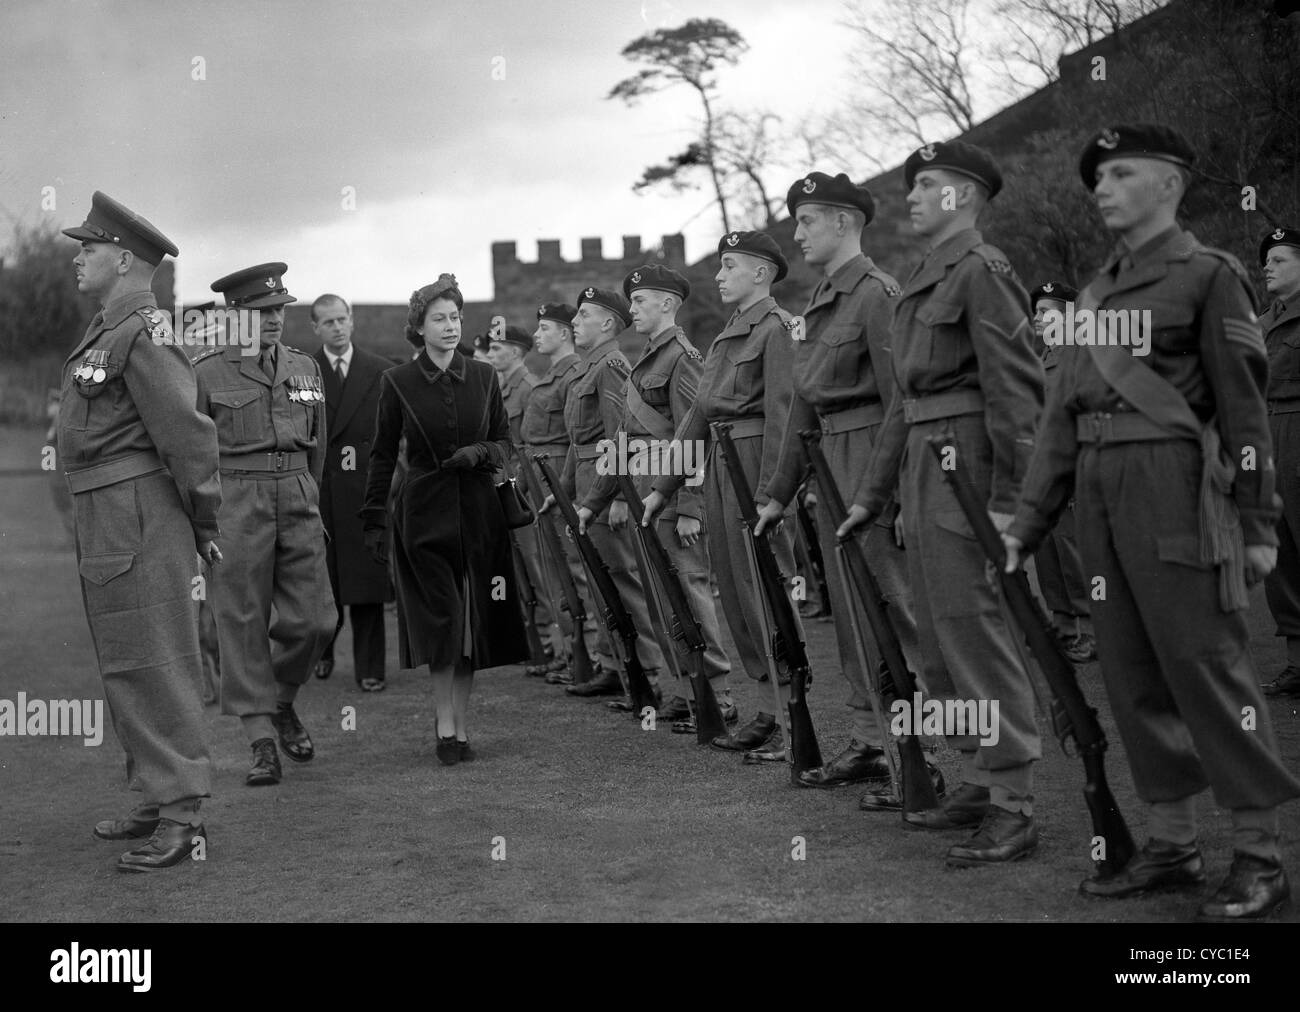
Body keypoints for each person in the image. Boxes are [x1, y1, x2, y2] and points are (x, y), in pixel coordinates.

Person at [1005, 125, 1300, 918]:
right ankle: (1172, 846)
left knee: (1209, 673)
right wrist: (1025, 527)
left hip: (1176, 490)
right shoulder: (1093, 293)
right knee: (1132, 677)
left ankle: (1259, 855)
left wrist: (1259, 524)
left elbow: (1244, 414)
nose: (1101, 185)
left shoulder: (1208, 277)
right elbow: (1061, 421)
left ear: (1169, 184)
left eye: (1120, 172)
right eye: (1096, 175)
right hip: (1099, 498)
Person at [847, 142, 1045, 866]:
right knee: (938, 640)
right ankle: (978, 778)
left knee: (977, 636)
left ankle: (1016, 803)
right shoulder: (923, 276)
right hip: (926, 467)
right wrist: (871, 496)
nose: (914, 196)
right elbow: (904, 401)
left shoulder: (982, 272)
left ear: (965, 196)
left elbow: (1017, 395)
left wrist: (1010, 505)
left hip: (970, 465)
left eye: (929, 185)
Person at [754, 174, 933, 793]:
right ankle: (868, 742)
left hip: (872, 463)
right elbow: (803, 409)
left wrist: (895, 495)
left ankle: (923, 752)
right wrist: (777, 493)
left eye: (807, 221)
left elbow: (903, 402)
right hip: (831, 464)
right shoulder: (822, 303)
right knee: (856, 615)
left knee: (894, 611)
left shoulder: (879, 295)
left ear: (843, 223)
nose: (797, 233)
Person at [59, 191, 218, 871]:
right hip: (107, 514)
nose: (80, 259)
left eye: (89, 248)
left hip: (140, 515)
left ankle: (184, 819)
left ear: (123, 259)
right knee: (127, 661)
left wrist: (206, 521)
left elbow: (188, 436)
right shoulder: (107, 329)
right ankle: (155, 797)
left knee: (158, 661)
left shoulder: (143, 332)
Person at [361, 274, 529, 764]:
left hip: (480, 514)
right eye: (439, 318)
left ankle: (461, 726)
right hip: (423, 516)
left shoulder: (483, 377)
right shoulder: (397, 382)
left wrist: (480, 452)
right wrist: (373, 518)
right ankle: (443, 724)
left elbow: (504, 442)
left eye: (455, 317)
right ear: (419, 327)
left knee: (474, 622)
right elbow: (380, 454)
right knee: (444, 622)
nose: (451, 326)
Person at [644, 233, 794, 749]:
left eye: (730, 266)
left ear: (762, 273)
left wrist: (774, 490)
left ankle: (792, 715)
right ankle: (768, 708)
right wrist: (664, 488)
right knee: (734, 593)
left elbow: (783, 415)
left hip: (753, 467)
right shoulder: (730, 334)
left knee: (768, 590)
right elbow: (697, 417)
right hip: (722, 466)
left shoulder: (776, 329)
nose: (719, 275)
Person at [195, 262, 335, 786]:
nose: (274, 319)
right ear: (234, 316)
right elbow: (190, 453)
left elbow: (318, 443)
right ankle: (260, 744)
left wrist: (310, 498)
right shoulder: (206, 372)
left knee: (317, 619)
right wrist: (204, 521)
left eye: (279, 309)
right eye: (261, 312)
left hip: (298, 494)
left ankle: (280, 699)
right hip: (236, 500)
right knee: (242, 621)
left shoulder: (304, 368)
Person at [560, 283, 670, 715]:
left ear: (607, 324)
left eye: (583, 315)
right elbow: (577, 440)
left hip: (609, 488)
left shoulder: (611, 366)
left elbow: (619, 436)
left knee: (624, 584)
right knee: (602, 583)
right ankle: (614, 665)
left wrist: (621, 498)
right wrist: (568, 493)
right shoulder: (590, 366)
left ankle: (650, 676)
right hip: (592, 483)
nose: (575, 322)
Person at [521, 302, 614, 691]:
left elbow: (588, 435)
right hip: (549, 471)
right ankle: (574, 652)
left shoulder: (578, 371)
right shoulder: (559, 373)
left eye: (545, 328)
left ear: (562, 335)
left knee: (577, 567)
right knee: (558, 569)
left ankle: (592, 655)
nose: (537, 336)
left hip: (565, 471)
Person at [311, 293, 393, 692]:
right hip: (320, 493)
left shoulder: (380, 370)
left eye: (342, 319)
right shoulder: (303, 372)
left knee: (366, 582)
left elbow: (394, 436)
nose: (338, 327)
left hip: (365, 492)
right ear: (317, 328)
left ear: (352, 320)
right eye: (328, 322)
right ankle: (322, 651)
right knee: (322, 581)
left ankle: (371, 667)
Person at [488, 323, 564, 673]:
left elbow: (530, 447)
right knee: (521, 574)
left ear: (516, 352)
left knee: (540, 570)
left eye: (496, 349)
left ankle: (559, 649)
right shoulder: (503, 389)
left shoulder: (531, 388)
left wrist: (516, 487)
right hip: (508, 489)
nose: (490, 355)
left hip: (526, 491)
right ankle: (540, 647)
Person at [1029, 282, 1096, 664]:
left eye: (1046, 312)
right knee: (1049, 554)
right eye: (1037, 312)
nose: (1037, 318)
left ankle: (1090, 631)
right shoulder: (1045, 357)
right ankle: (1065, 630)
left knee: (1074, 553)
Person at [1259, 227, 1300, 697]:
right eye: (1266, 260)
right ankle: (1297, 660)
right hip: (1267, 434)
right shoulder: (1261, 322)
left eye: (1280, 259)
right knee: (1280, 553)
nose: (1268, 266)